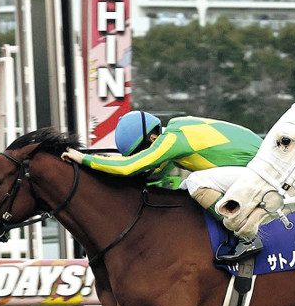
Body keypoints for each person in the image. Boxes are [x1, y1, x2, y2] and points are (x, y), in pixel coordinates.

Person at [62, 110, 264, 263]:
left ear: (152, 138)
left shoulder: (173, 139)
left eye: (141, 151)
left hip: (262, 171)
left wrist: (84, 158)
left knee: (196, 182)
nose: (142, 155)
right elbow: (152, 175)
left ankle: (245, 235)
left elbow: (129, 167)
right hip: (255, 166)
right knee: (186, 186)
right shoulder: (175, 135)